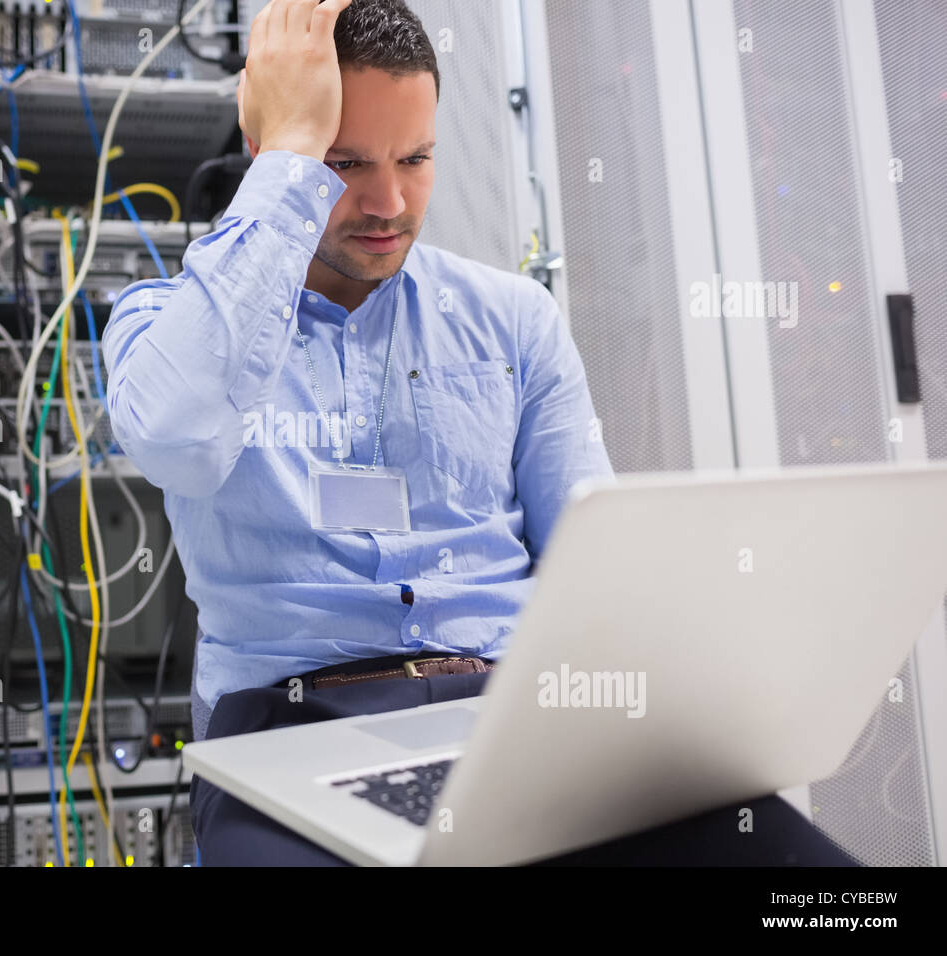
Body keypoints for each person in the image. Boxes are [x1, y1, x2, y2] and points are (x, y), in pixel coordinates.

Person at [102, 0, 856, 866]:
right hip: (286, 729)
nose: (388, 201)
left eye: (415, 158)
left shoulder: (512, 320)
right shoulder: (169, 324)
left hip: (517, 717)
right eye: (344, 163)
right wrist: (284, 161)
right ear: (282, 150)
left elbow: (594, 562)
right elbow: (175, 439)